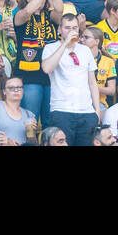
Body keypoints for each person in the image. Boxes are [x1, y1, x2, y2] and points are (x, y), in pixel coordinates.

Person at [41, 12, 101, 145]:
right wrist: (65, 43)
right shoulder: (50, 48)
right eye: (67, 28)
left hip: (87, 112)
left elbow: (92, 82)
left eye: (74, 28)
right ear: (59, 29)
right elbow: (47, 68)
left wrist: (96, 111)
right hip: (62, 111)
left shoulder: (85, 51)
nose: (71, 31)